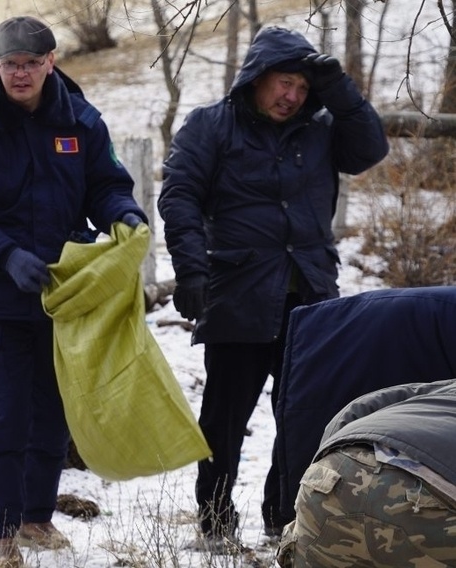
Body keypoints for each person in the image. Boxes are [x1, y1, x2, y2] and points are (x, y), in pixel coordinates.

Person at [0, 15, 147, 568]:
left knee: (53, 411)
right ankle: (1, 533)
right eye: (9, 65)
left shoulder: (81, 121)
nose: (19, 74)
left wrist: (122, 214)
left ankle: (36, 517)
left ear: (51, 62)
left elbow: (106, 184)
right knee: (6, 413)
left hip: (66, 292)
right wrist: (4, 255)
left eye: (30, 63)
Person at [157, 25, 389, 542]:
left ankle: (283, 518)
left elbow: (370, 150)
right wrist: (192, 269)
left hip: (309, 296)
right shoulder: (210, 126)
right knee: (223, 418)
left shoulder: (322, 127)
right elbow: (179, 198)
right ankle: (215, 523)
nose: (292, 96)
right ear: (258, 78)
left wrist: (340, 90)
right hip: (237, 292)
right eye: (285, 83)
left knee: (304, 414)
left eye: (303, 88)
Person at [275, 286, 456, 531]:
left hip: (354, 327)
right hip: (369, 339)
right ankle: (285, 518)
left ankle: (285, 516)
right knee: (319, 426)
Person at [277, 378, 456, 567]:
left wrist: (327, 461)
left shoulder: (441, 389)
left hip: (336, 469)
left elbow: (360, 405)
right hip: (427, 495)